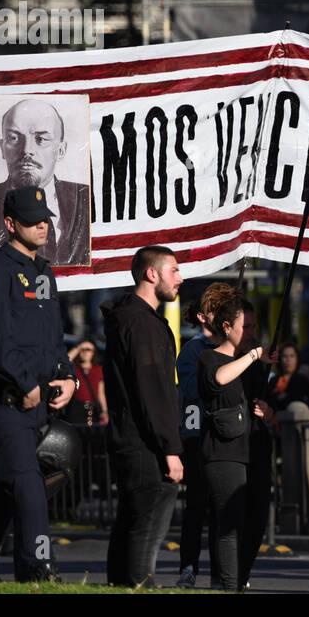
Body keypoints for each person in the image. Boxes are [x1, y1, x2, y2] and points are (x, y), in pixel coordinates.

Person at [0, 186, 77, 583]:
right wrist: (26, 382)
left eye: (44, 217)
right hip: (6, 403)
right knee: (29, 483)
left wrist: (68, 375)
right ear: (11, 225)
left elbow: (53, 337)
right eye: (32, 220)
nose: (42, 224)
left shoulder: (44, 273)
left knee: (7, 488)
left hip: (38, 404)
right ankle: (38, 566)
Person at [102, 245, 185, 588]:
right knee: (148, 522)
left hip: (133, 438)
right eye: (174, 271)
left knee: (132, 518)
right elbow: (153, 391)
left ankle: (123, 584)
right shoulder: (142, 324)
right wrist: (170, 447)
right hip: (145, 443)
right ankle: (140, 583)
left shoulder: (135, 319)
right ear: (153, 274)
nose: (180, 279)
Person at [198, 290, 278, 592]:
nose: (251, 333)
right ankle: (228, 584)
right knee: (230, 523)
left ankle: (239, 577)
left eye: (254, 327)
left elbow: (266, 403)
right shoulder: (209, 358)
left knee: (257, 521)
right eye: (246, 326)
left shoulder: (254, 364)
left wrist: (268, 412)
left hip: (254, 448)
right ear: (227, 327)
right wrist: (255, 354)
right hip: (224, 451)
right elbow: (219, 378)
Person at [0, 98, 90, 266]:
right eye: (14, 138)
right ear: (2, 148)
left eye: (41, 139)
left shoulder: (87, 200)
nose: (27, 150)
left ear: (61, 150)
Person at [173, 283, 231, 589]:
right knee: (196, 507)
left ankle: (222, 573)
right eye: (214, 310)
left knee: (223, 510)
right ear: (201, 316)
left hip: (225, 438)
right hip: (197, 438)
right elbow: (194, 390)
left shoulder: (233, 346)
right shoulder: (193, 351)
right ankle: (188, 567)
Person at [66, 339, 108, 427]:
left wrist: (104, 411)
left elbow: (101, 393)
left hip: (93, 409)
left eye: (88, 350)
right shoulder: (73, 368)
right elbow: (66, 360)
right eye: (82, 349)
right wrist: (78, 347)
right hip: (76, 408)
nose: (85, 352)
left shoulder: (98, 369)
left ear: (93, 352)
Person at [269, 343, 309, 412]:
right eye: (285, 356)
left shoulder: (303, 381)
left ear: (297, 359)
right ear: (280, 359)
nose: (288, 360)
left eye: (292, 356)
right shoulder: (273, 380)